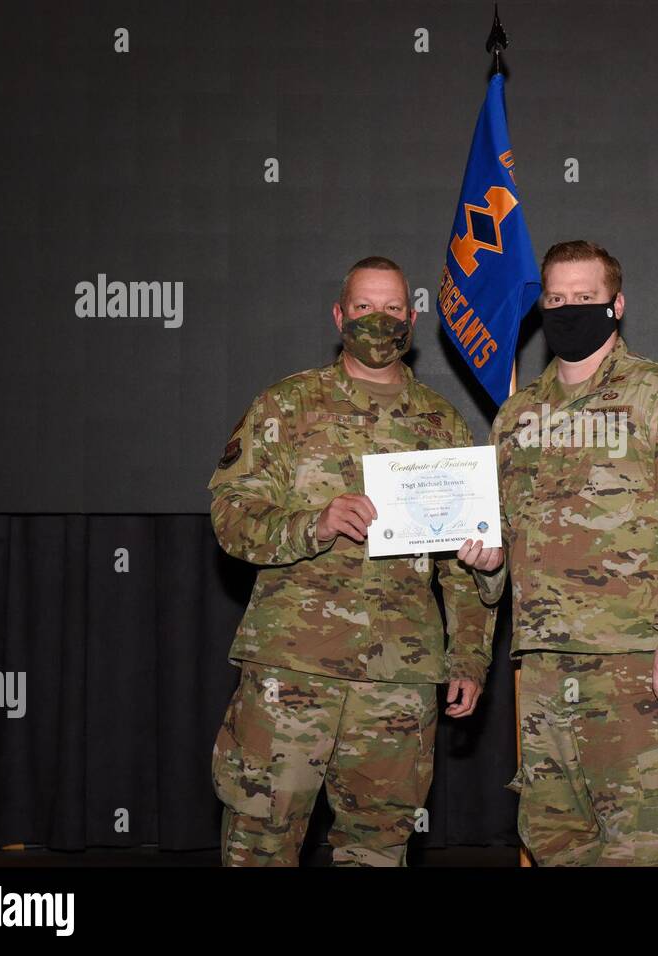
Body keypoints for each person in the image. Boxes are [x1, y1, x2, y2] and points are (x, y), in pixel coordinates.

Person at [208, 256, 498, 866]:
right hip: (293, 670)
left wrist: (469, 656)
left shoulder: (441, 423)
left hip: (399, 678)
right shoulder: (287, 406)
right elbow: (232, 518)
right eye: (364, 308)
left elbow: (461, 569)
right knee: (260, 840)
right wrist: (311, 524)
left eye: (393, 308)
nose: (378, 320)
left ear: (412, 320)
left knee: (379, 848)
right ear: (340, 316)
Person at [459, 240, 658, 866]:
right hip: (544, 665)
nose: (568, 309)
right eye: (556, 299)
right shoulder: (518, 414)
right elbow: (502, 536)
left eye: (585, 298)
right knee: (557, 840)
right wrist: (489, 565)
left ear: (617, 305)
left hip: (634, 660)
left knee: (643, 839)